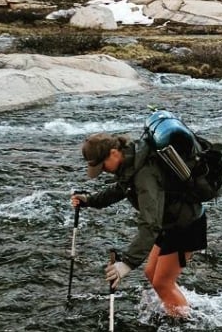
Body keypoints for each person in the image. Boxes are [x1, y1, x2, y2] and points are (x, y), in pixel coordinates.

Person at [70, 131, 207, 318]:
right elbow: (120, 189)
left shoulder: (144, 173)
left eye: (103, 167)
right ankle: (177, 307)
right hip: (169, 222)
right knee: (151, 273)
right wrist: (90, 201)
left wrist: (126, 264)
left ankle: (185, 325)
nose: (104, 171)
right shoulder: (131, 161)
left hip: (185, 225)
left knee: (162, 283)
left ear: (113, 153)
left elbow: (150, 223)